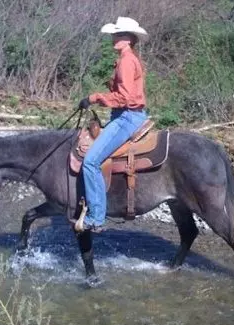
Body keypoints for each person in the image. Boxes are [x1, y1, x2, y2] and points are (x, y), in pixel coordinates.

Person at [76, 17, 148, 232]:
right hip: (125, 115)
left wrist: (94, 97)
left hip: (127, 116)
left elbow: (125, 98)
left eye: (119, 35)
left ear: (129, 39)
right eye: (115, 34)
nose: (114, 38)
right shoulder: (127, 58)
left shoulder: (126, 60)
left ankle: (96, 218)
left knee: (90, 161)